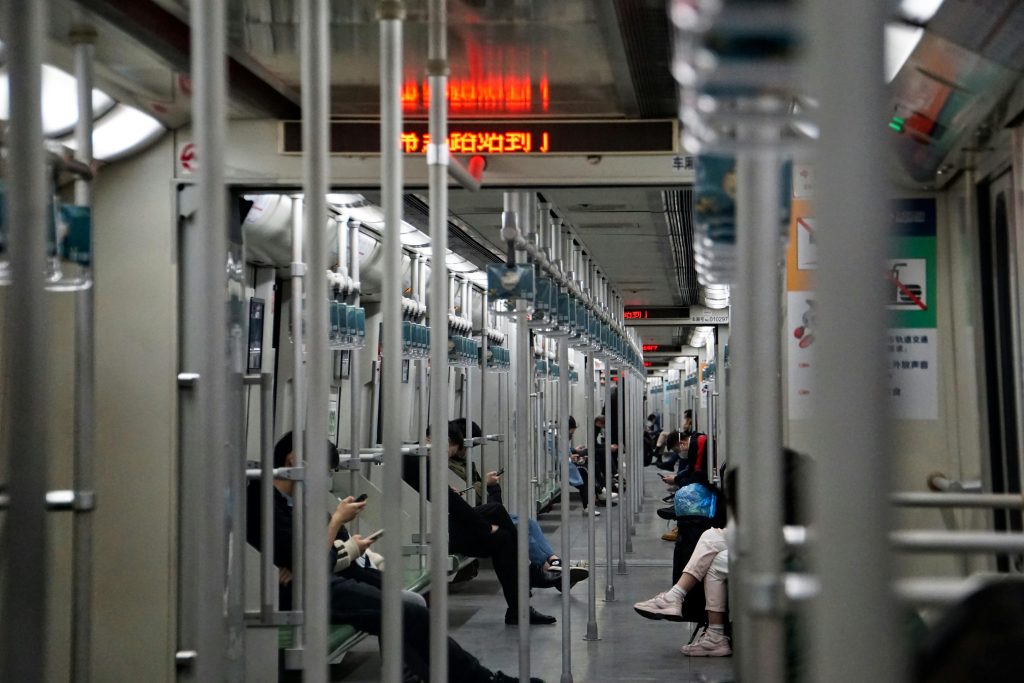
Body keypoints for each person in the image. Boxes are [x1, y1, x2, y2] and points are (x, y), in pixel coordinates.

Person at [246, 432, 542, 682]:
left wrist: (323, 550)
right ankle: (479, 678)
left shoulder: (295, 501)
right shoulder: (263, 503)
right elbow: (313, 562)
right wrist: (333, 525)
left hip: (329, 578)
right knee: (407, 611)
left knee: (408, 606)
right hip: (307, 593)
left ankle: (454, 675)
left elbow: (320, 554)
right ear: (294, 460)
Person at [404, 426, 558, 625]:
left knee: (503, 538)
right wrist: (484, 528)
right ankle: (528, 572)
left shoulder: (420, 459)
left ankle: (518, 610)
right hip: (442, 531)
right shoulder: (416, 460)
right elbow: (452, 503)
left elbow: (448, 499)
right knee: (496, 511)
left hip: (445, 525)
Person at [445, 419, 588, 591]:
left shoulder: (464, 466)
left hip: (479, 514)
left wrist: (488, 487)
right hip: (469, 522)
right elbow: (476, 502)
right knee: (518, 526)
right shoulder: (449, 469)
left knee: (529, 522)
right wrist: (487, 486)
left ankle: (554, 562)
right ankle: (547, 568)